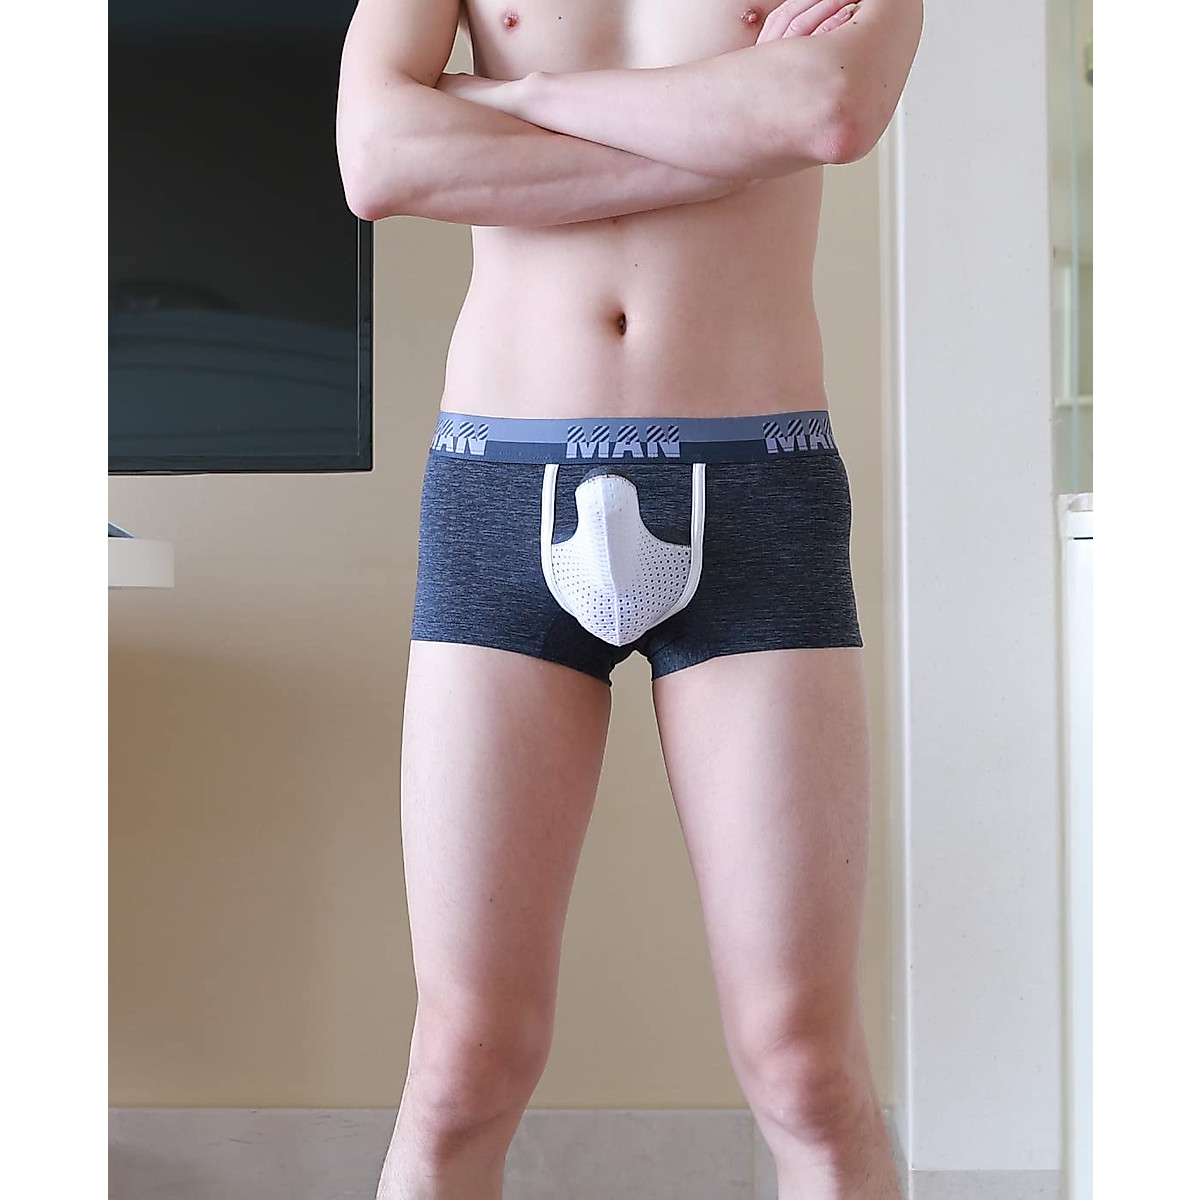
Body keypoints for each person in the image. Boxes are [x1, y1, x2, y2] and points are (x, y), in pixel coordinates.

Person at [337, 1, 922, 1196]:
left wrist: (516, 100)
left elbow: (827, 110)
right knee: (462, 1063)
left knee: (806, 1069)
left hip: (757, 483)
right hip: (502, 481)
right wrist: (723, 131)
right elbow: (380, 157)